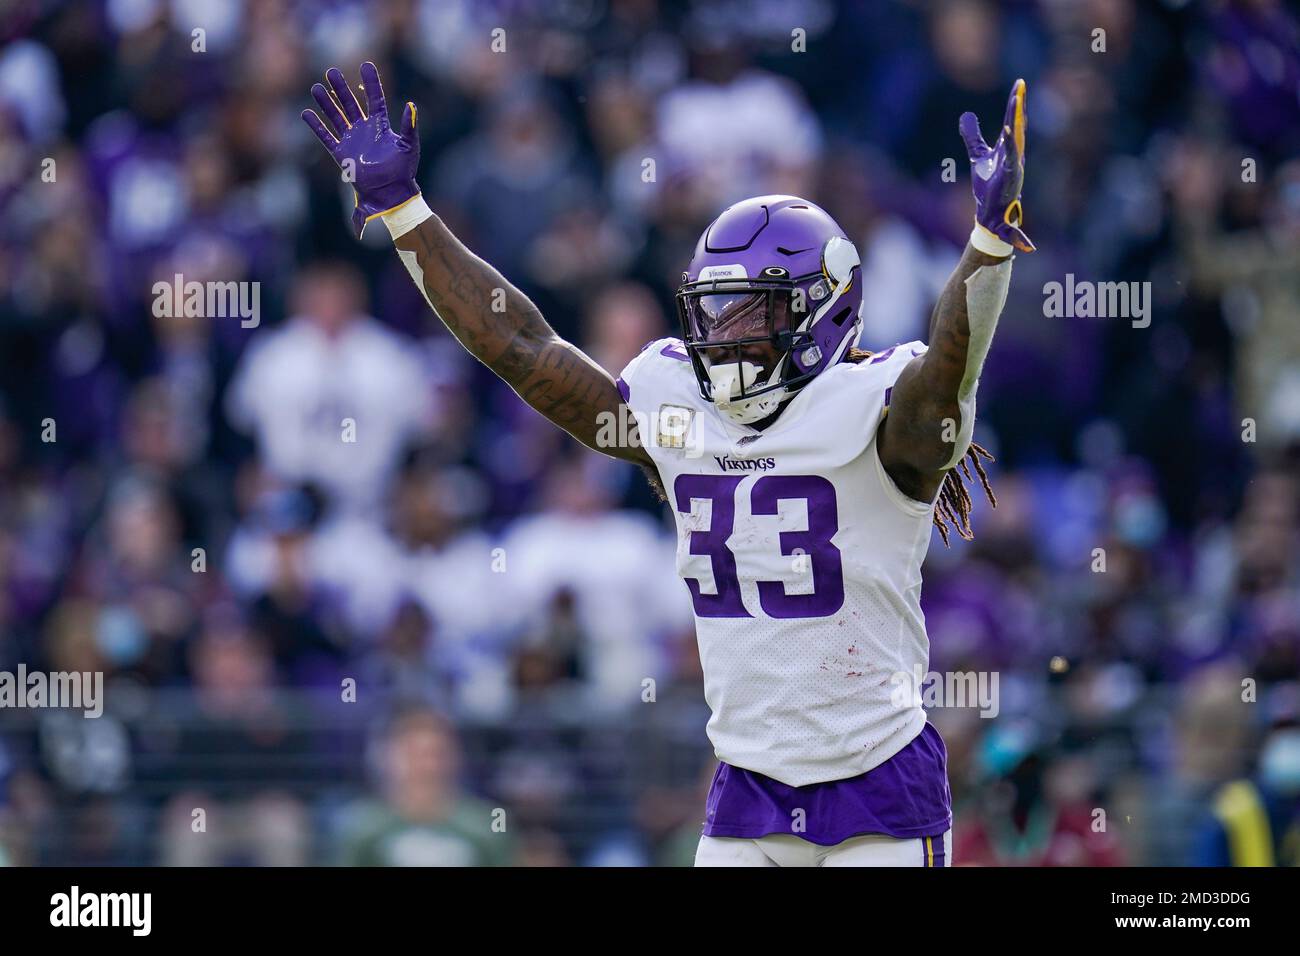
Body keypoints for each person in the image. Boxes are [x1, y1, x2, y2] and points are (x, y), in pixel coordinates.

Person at [303, 62, 1031, 866]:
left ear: (825, 311)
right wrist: (407, 212)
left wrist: (987, 248)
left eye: (752, 312)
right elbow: (523, 347)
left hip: (878, 782)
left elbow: (948, 378)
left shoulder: (878, 411)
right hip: (749, 783)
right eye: (715, 310)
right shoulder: (679, 409)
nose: (724, 335)